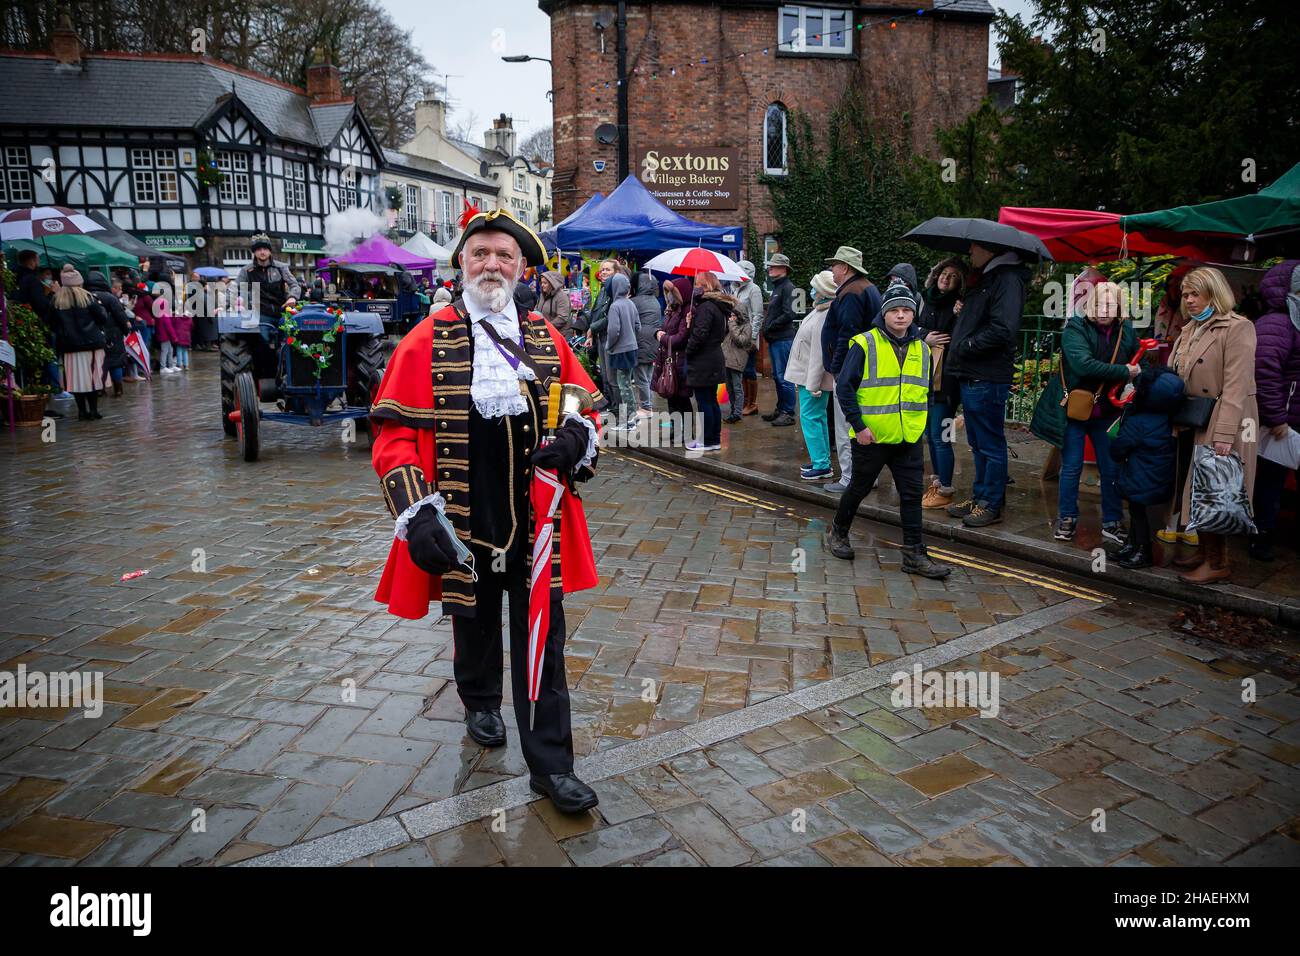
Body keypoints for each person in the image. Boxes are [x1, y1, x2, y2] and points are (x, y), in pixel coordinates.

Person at [369, 208, 603, 814]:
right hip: (461, 519)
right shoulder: (426, 339)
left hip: (536, 528)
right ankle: (479, 701)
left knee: (542, 644)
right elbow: (392, 438)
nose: (491, 265)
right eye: (480, 254)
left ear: (522, 269)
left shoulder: (546, 339)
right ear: (462, 265)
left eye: (504, 256)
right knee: (471, 623)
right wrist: (417, 512)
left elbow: (584, 406)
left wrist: (579, 436)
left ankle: (551, 767)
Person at [828, 280, 950, 579]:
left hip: (908, 436)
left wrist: (920, 425)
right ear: (883, 313)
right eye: (894, 310)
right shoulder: (865, 343)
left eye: (906, 310)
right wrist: (859, 427)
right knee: (858, 487)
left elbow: (925, 391)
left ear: (912, 315)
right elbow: (844, 388)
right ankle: (839, 532)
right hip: (872, 436)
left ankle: (914, 553)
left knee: (911, 495)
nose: (900, 316)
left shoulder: (922, 348)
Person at [1167, 266, 1258, 585]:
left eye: (1195, 294)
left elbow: (1236, 385)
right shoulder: (1191, 327)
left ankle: (1218, 561)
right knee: (1197, 488)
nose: (1189, 300)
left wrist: (1224, 435)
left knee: (1217, 489)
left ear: (1213, 293)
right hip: (1196, 417)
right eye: (1186, 294)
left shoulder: (1239, 327)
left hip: (1226, 417)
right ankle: (1206, 553)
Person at [944, 242, 1030, 528]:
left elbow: (1003, 329)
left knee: (990, 443)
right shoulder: (990, 278)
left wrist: (966, 345)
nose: (969, 253)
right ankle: (981, 496)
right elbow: (985, 319)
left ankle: (991, 503)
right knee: (978, 443)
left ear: (990, 249)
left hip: (987, 374)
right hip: (974, 373)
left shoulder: (1006, 279)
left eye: (974, 249)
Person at [1053, 280, 1142, 543]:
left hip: (1108, 410)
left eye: (1110, 304)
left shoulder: (1126, 330)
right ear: (1090, 304)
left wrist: (1132, 380)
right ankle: (1067, 519)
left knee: (1111, 467)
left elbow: (1140, 360)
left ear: (1118, 307)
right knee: (1071, 467)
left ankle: (1112, 522)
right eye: (1100, 303)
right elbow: (1083, 365)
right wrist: (1125, 371)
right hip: (1077, 409)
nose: (1104, 309)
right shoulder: (1075, 329)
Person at [1108, 367, 1185, 569]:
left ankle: (1143, 551)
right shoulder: (1169, 418)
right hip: (1157, 477)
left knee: (1138, 513)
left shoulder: (1139, 421)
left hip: (1138, 477)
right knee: (1140, 513)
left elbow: (1118, 448)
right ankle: (1132, 545)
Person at [821, 245, 882, 492]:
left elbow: (848, 333)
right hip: (863, 368)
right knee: (861, 424)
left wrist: (838, 370)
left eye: (834, 265)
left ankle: (850, 479)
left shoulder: (851, 292)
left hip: (850, 370)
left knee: (848, 427)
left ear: (845, 268)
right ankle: (867, 477)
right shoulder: (865, 287)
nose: (832, 270)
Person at [1251, 260, 1300, 561]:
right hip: (1281, 421)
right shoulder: (1276, 323)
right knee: (1270, 481)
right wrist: (1276, 418)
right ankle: (1261, 536)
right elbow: (1264, 373)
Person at [918, 258, 966, 508]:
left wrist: (961, 315)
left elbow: (960, 338)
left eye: (953, 276)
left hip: (946, 381)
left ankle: (945, 487)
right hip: (925, 375)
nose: (946, 278)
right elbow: (915, 328)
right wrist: (925, 336)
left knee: (941, 434)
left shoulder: (960, 305)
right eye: (943, 273)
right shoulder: (926, 300)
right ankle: (936, 483)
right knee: (930, 434)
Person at [785, 269, 836, 480]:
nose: (811, 290)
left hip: (811, 379)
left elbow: (818, 354)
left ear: (823, 291)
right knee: (818, 418)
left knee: (811, 419)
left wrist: (814, 385)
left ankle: (822, 464)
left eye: (815, 287)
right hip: (808, 377)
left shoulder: (824, 315)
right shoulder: (820, 310)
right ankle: (821, 460)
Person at [48, 265, 110, 421]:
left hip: (69, 346)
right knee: (92, 379)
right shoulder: (89, 298)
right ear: (79, 282)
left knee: (76, 381)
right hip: (93, 344)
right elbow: (103, 317)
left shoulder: (57, 301)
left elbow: (50, 323)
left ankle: (82, 411)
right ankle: (94, 410)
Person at [685, 270, 732, 452]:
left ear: (705, 286)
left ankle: (706, 440)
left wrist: (689, 351)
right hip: (714, 357)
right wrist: (691, 322)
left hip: (704, 359)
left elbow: (700, 335)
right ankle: (713, 440)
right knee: (711, 400)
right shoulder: (718, 306)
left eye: (697, 284)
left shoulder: (706, 307)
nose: (694, 288)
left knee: (705, 402)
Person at [235, 233, 301, 341]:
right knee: (261, 342)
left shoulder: (281, 267)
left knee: (290, 339)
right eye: (259, 249)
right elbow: (234, 289)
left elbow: (294, 285)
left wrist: (292, 297)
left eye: (265, 249)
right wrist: (224, 304)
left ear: (269, 251)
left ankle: (285, 356)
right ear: (254, 252)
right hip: (261, 315)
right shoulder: (247, 271)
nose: (262, 252)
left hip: (283, 312)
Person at [655, 277, 695, 440]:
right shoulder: (673, 309)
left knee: (682, 397)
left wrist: (661, 337)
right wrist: (657, 333)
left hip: (680, 360)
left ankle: (686, 432)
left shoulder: (687, 311)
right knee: (671, 396)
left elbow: (680, 338)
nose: (670, 296)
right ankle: (675, 429)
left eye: (673, 292)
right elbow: (664, 329)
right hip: (669, 359)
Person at [761, 253, 798, 426]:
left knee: (784, 377)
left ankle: (788, 412)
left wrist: (770, 326)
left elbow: (790, 313)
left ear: (783, 269)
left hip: (783, 339)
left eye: (774, 266)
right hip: (776, 339)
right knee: (777, 376)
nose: (770, 268)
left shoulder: (788, 287)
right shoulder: (778, 287)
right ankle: (781, 408)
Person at [85, 270, 133, 397]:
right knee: (115, 362)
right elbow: (120, 316)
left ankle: (100, 388)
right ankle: (118, 389)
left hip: (93, 335)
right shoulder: (110, 297)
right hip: (113, 334)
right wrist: (126, 330)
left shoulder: (85, 296)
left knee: (98, 363)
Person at [604, 273, 641, 427]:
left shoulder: (615, 306)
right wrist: (631, 338)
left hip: (619, 350)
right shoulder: (630, 303)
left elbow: (613, 331)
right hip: (632, 348)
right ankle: (633, 416)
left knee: (623, 385)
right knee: (627, 383)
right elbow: (638, 326)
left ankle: (631, 418)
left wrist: (609, 345)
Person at [585, 258, 621, 412]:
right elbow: (595, 313)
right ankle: (609, 406)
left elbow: (610, 317)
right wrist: (590, 331)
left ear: (616, 272)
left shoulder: (616, 290)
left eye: (608, 269)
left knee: (613, 377)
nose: (604, 272)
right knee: (605, 375)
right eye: (602, 269)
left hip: (610, 336)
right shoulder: (603, 289)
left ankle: (618, 408)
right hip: (600, 336)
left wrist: (592, 328)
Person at [721, 281, 754, 424]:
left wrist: (732, 325)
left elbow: (741, 341)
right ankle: (733, 409)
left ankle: (738, 413)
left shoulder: (747, 327)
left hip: (737, 361)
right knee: (729, 388)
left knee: (737, 387)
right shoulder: (731, 324)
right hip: (728, 361)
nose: (732, 317)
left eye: (735, 314)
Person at [631, 271, 663, 418]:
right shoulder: (654, 300)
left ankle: (646, 407)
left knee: (641, 378)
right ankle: (648, 404)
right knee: (648, 376)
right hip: (653, 341)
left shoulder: (636, 301)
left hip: (640, 341)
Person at [735, 260, 765, 415]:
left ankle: (752, 403)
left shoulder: (754, 289)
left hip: (748, 337)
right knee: (742, 370)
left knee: (749, 369)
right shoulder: (737, 289)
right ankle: (745, 401)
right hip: (738, 336)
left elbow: (758, 314)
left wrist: (752, 337)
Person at [538, 269, 572, 335]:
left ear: (552, 284)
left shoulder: (562, 297)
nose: (542, 285)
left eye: (545, 283)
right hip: (546, 332)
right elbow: (538, 310)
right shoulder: (542, 295)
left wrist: (547, 326)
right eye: (541, 283)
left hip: (560, 334)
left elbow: (562, 318)